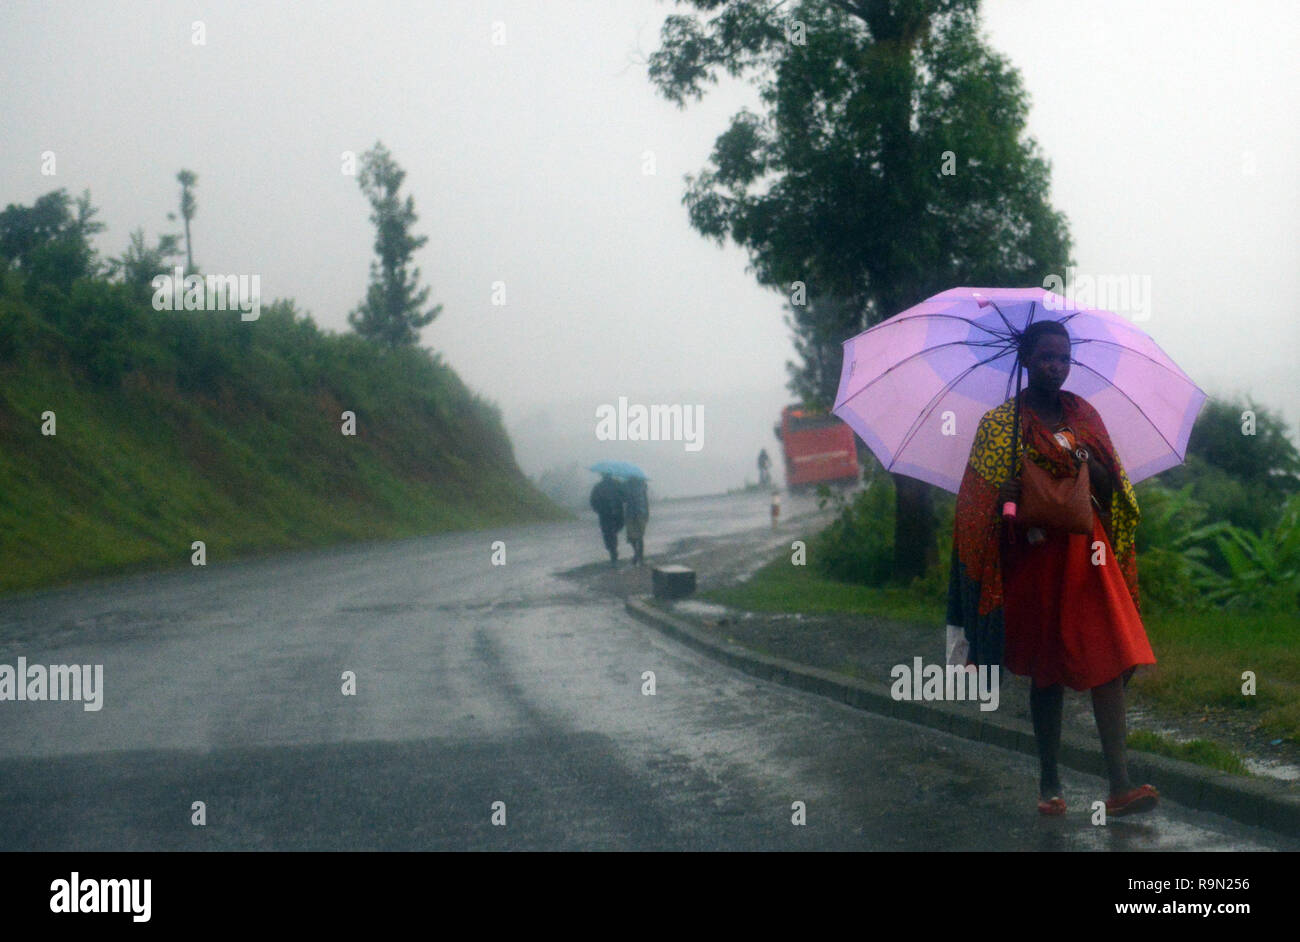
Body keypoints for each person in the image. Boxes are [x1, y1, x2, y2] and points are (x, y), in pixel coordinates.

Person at [946, 319, 1159, 818]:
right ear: (1025, 360)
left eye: (1063, 358)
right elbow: (976, 509)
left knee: (1108, 657)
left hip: (1090, 557)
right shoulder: (1001, 426)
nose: (1055, 366)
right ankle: (1049, 781)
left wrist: (1085, 463)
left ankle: (1120, 786)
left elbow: (1113, 489)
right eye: (1045, 357)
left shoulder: (1084, 415)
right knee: (1047, 672)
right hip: (1035, 560)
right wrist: (1006, 499)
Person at [590, 473, 625, 566]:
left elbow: (593, 501)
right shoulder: (618, 484)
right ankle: (613, 551)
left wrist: (598, 509)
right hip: (617, 514)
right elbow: (625, 497)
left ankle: (612, 551)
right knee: (613, 532)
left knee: (608, 533)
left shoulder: (598, 487)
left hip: (605, 515)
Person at [622, 476, 650, 566]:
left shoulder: (642, 485)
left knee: (639, 536)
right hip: (632, 513)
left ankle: (639, 556)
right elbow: (623, 500)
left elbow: (645, 500)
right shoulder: (626, 486)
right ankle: (637, 554)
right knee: (633, 536)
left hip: (639, 512)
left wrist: (647, 513)